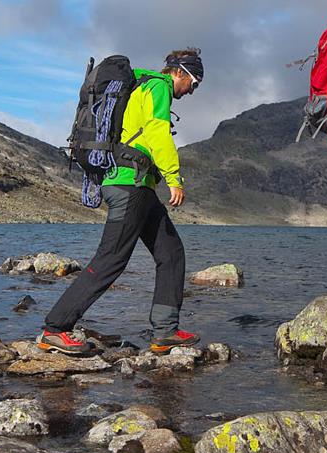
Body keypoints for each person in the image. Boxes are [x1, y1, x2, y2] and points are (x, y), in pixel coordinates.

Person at [39, 49, 204, 355]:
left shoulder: (142, 86)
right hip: (130, 187)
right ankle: (55, 328)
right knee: (110, 260)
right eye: (193, 84)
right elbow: (157, 132)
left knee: (171, 252)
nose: (192, 91)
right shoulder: (158, 87)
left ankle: (165, 331)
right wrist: (174, 178)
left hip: (138, 186)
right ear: (179, 72)